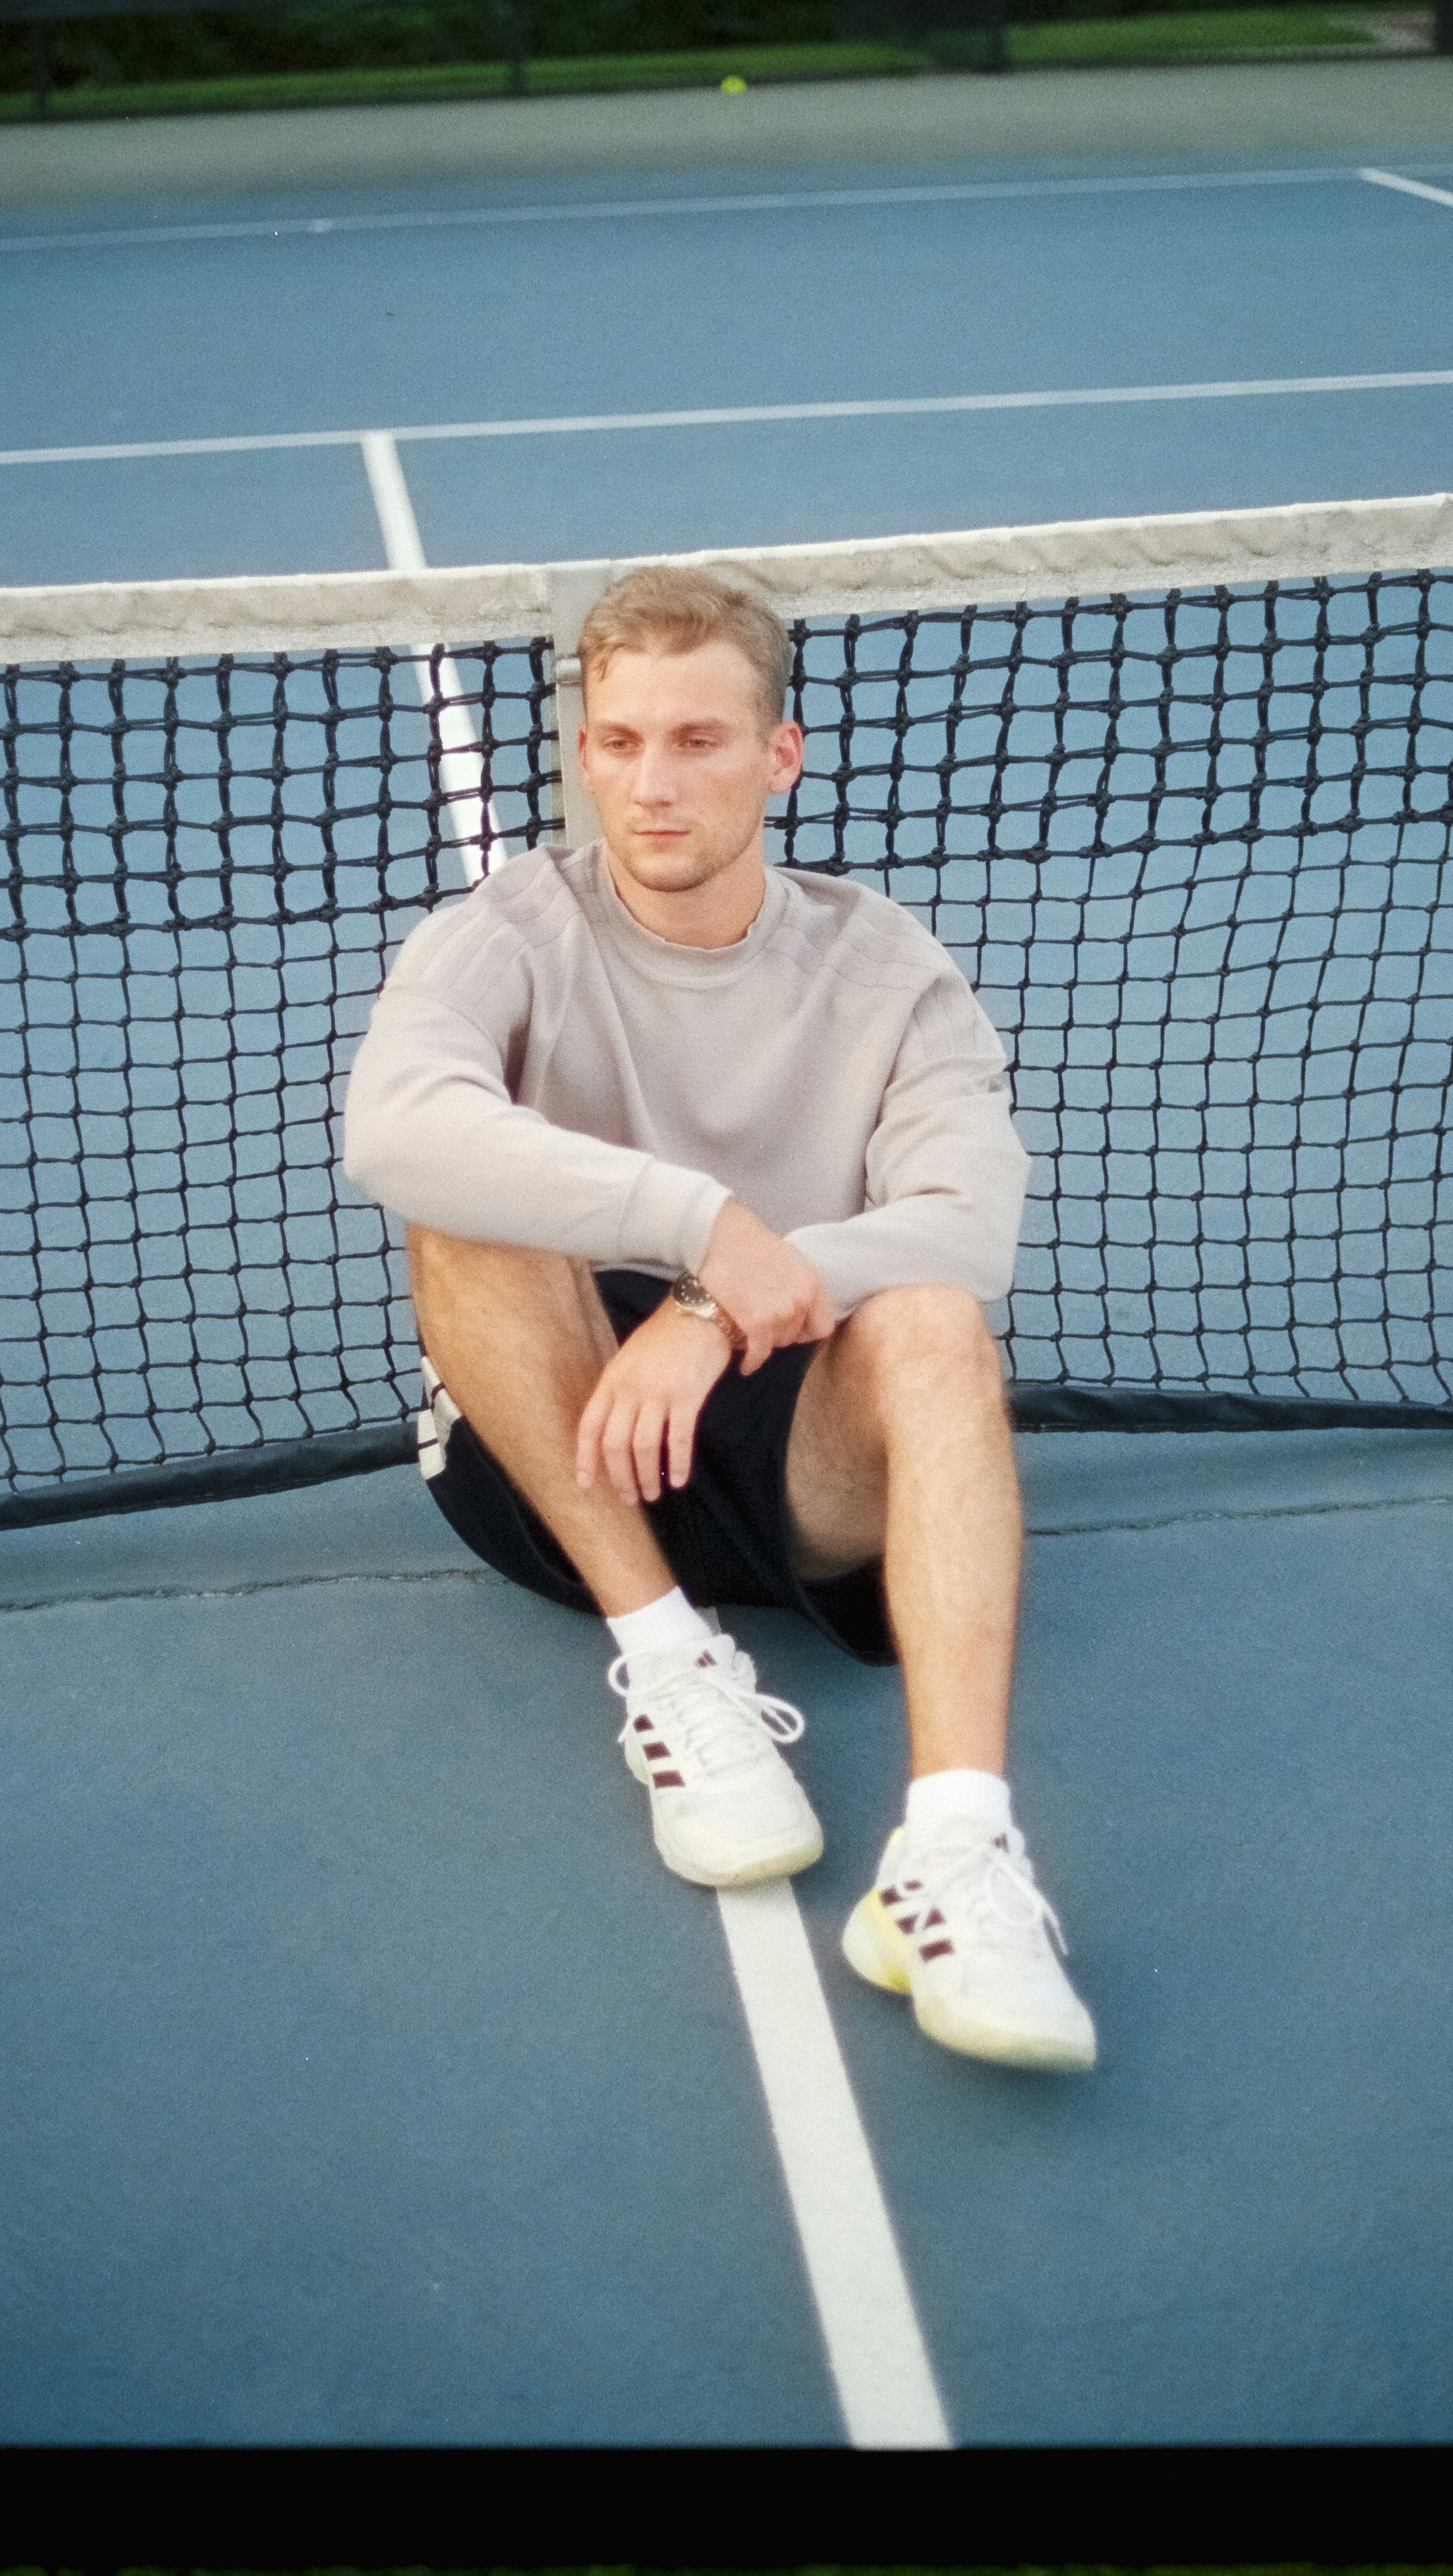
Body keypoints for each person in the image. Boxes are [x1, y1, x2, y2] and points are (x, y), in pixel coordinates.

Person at [342, 564, 1097, 2071]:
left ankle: (951, 1856)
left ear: (781, 755)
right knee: (463, 1202)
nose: (652, 784)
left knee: (939, 1324)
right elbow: (392, 1130)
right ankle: (675, 1666)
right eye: (618, 743)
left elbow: (972, 1222)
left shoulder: (886, 968)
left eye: (697, 741)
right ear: (580, 753)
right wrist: (699, 1225)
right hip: (551, 1462)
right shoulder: (504, 930)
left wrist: (711, 1304)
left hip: (790, 1463)